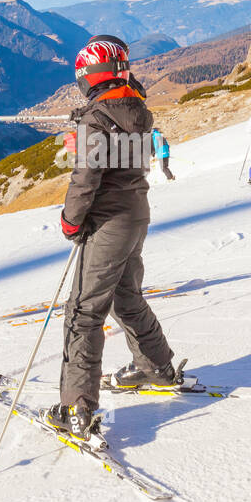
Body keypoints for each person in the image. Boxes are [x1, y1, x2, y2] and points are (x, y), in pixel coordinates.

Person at [50, 36, 178, 439]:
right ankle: (156, 367)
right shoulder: (135, 110)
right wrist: (87, 119)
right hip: (136, 216)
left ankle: (76, 409)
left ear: (90, 77)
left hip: (106, 224)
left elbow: (85, 179)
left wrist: (71, 221)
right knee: (126, 297)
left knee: (84, 312)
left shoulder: (96, 120)